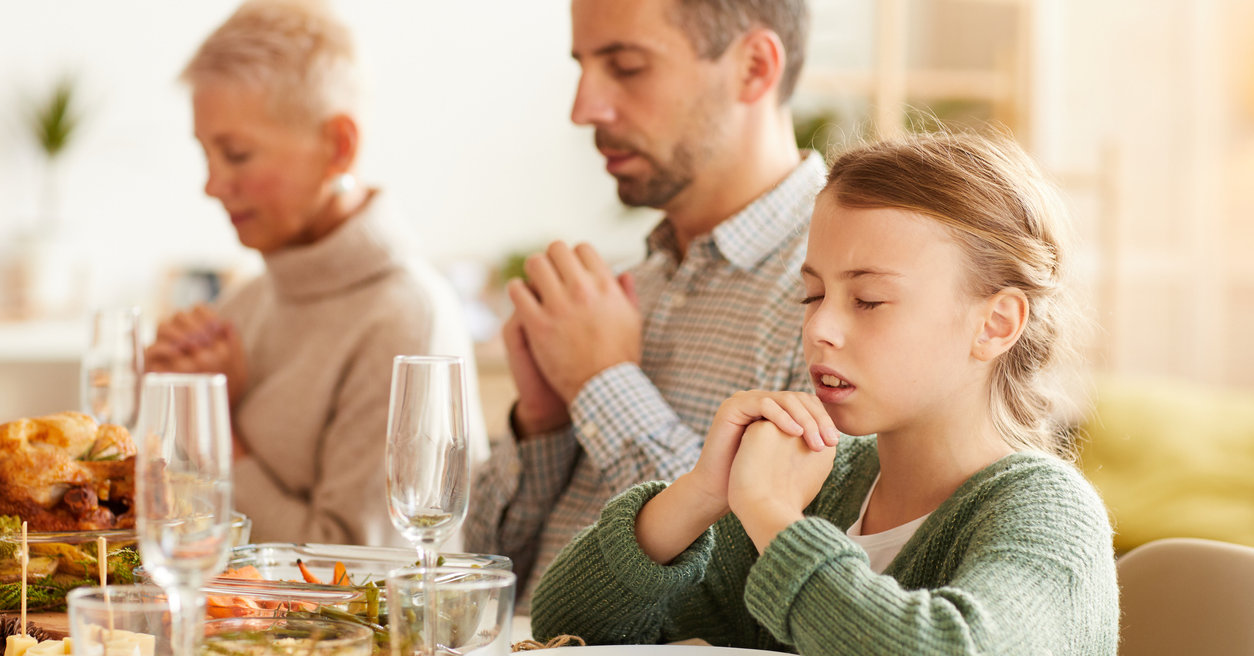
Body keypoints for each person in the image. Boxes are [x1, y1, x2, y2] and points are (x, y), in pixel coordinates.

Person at [531, 131, 1120, 654]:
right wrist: (701, 493)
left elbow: (947, 647)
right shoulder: (827, 484)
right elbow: (568, 625)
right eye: (812, 296)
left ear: (994, 324)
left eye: (868, 300)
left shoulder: (1049, 516)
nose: (819, 328)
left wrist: (768, 513)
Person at [464, 0, 822, 604]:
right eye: (582, 66)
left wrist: (604, 382)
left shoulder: (839, 301)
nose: (584, 109)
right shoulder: (627, 291)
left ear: (754, 68)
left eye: (626, 67)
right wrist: (545, 424)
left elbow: (752, 594)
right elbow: (476, 575)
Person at [145, 0, 487, 548]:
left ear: (338, 147)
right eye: (206, 153)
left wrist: (217, 436)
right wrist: (161, 408)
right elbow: (168, 525)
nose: (211, 184)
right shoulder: (247, 301)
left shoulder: (405, 321)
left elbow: (358, 572)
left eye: (236, 154)